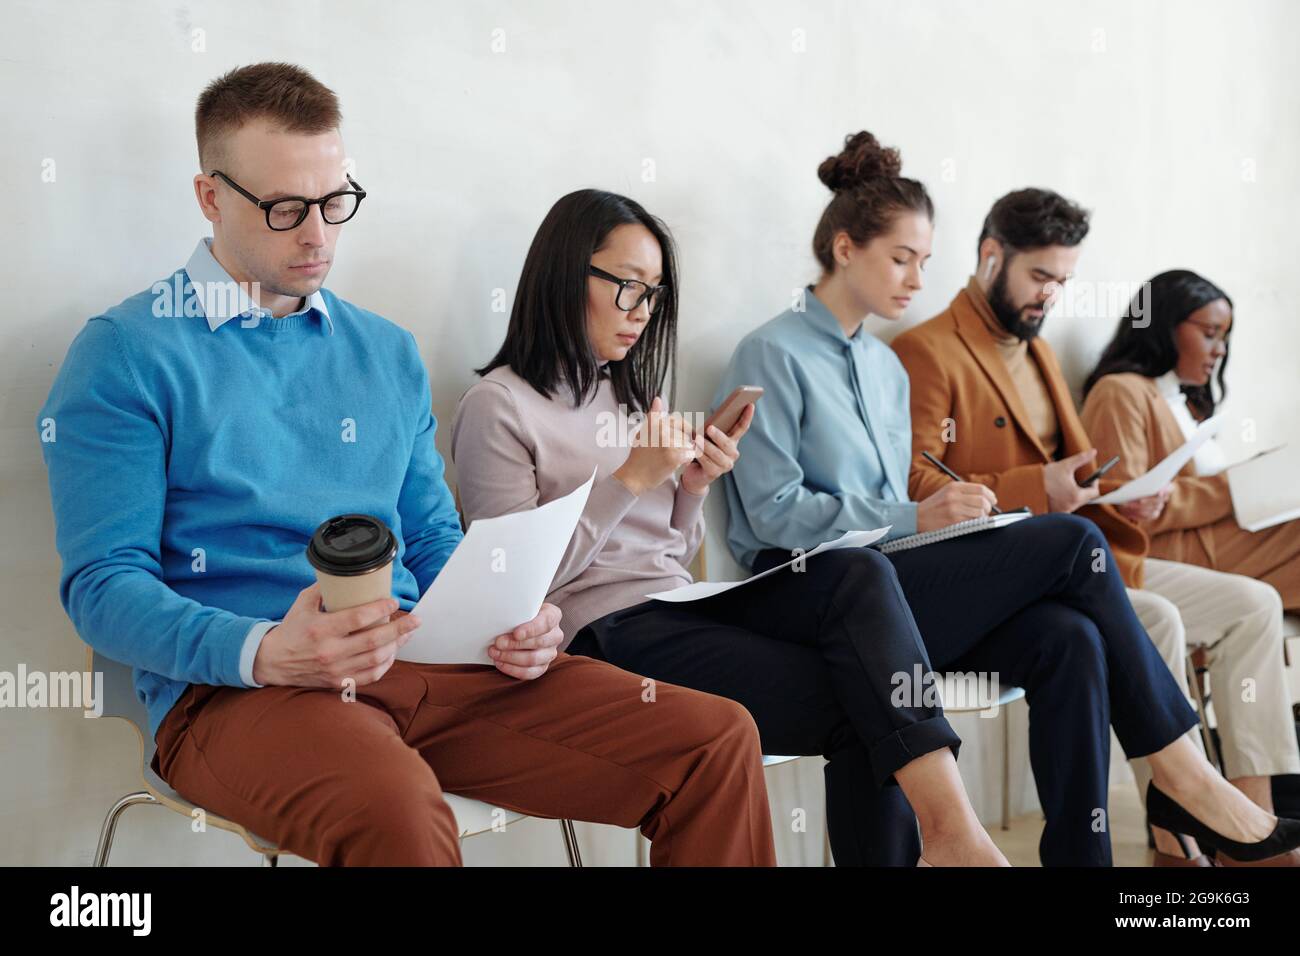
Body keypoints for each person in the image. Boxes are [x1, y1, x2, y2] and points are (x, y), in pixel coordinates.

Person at [36, 62, 777, 867]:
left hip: (428, 664)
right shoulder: (127, 353)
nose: (318, 233)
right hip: (237, 694)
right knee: (396, 810)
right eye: (285, 208)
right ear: (211, 197)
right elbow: (104, 586)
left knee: (712, 739)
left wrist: (508, 616)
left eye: (336, 201)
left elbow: (431, 541)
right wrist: (263, 650)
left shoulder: (384, 352)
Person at [720, 132, 1300, 866]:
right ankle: (1188, 778)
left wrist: (936, 517)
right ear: (843, 248)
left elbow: (907, 495)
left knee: (1072, 639)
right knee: (1074, 544)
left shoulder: (882, 367)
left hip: (893, 584)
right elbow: (770, 516)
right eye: (902, 259)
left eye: (925, 262)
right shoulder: (770, 353)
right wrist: (914, 515)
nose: (917, 280)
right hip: (816, 593)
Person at [452, 186, 1010, 866]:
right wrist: (630, 478)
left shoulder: (624, 394)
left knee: (855, 570)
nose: (642, 312)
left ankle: (953, 833)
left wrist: (689, 489)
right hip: (600, 637)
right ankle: (953, 839)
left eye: (653, 294)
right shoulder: (498, 405)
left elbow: (668, 553)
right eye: (628, 287)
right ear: (568, 274)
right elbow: (508, 585)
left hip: (680, 608)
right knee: (864, 703)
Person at [891, 187, 1300, 866]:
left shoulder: (1040, 353)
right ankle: (1184, 809)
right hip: (998, 572)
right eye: (1040, 277)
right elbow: (913, 486)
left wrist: (1120, 496)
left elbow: (1078, 475)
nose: (1050, 295)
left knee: (1240, 603)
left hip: (1080, 556)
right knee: (1158, 618)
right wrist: (1035, 490)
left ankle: (1233, 813)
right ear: (991, 258)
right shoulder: (927, 350)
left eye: (1063, 281)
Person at [1082, 269, 1300, 609]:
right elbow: (1126, 511)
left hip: (1210, 540)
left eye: (1224, 337)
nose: (1220, 350)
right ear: (1165, 328)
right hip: (1169, 551)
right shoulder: (1120, 393)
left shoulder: (1183, 401)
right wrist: (1235, 486)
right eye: (1211, 334)